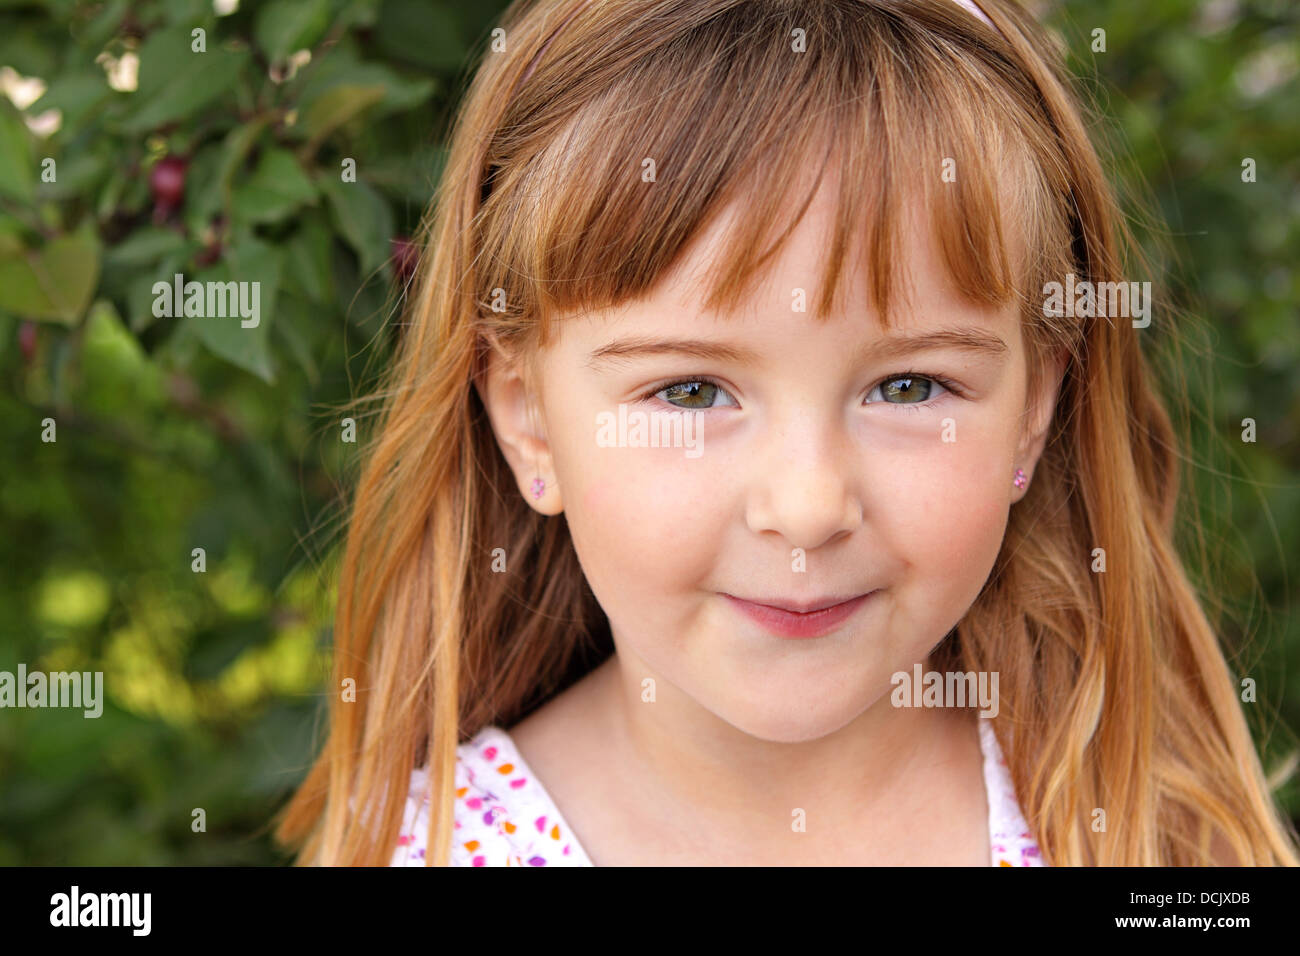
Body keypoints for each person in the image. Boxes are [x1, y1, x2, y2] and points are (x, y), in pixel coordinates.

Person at [275, 0, 1300, 866]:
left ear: (1032, 407)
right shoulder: (436, 849)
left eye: (908, 383)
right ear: (528, 419)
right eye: (687, 393)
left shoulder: (1145, 830)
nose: (807, 504)